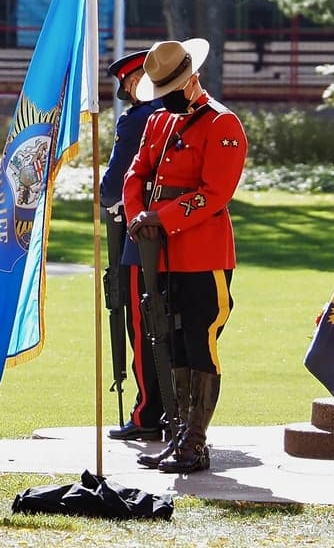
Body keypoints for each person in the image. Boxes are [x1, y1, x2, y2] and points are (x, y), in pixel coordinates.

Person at [123, 37, 248, 473]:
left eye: (172, 91)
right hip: (161, 252)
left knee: (200, 342)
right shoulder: (159, 121)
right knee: (171, 342)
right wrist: (141, 215)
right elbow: (137, 173)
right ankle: (179, 436)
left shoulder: (222, 124)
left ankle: (196, 441)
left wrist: (162, 217)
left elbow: (215, 194)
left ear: (192, 79)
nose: (166, 100)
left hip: (202, 252)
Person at [101, 50, 165, 442]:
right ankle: (180, 411)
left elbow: (113, 186)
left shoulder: (138, 119)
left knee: (143, 327)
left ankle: (147, 413)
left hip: (140, 237)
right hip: (185, 235)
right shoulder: (187, 113)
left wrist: (108, 198)